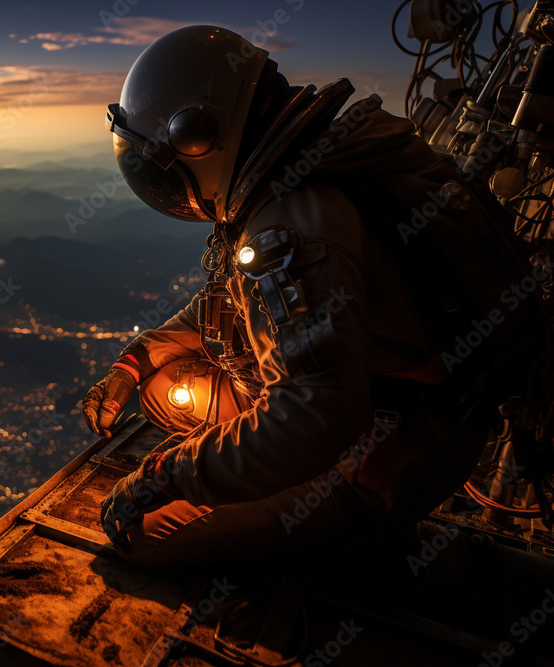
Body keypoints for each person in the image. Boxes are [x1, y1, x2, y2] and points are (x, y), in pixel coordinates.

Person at [82, 25, 537, 570]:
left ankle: (341, 531)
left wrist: (165, 476)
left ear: (198, 138)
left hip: (386, 450)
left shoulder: (292, 228)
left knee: (143, 534)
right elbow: (221, 309)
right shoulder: (304, 175)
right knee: (160, 387)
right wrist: (136, 360)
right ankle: (269, 476)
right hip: (368, 401)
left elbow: (316, 414)